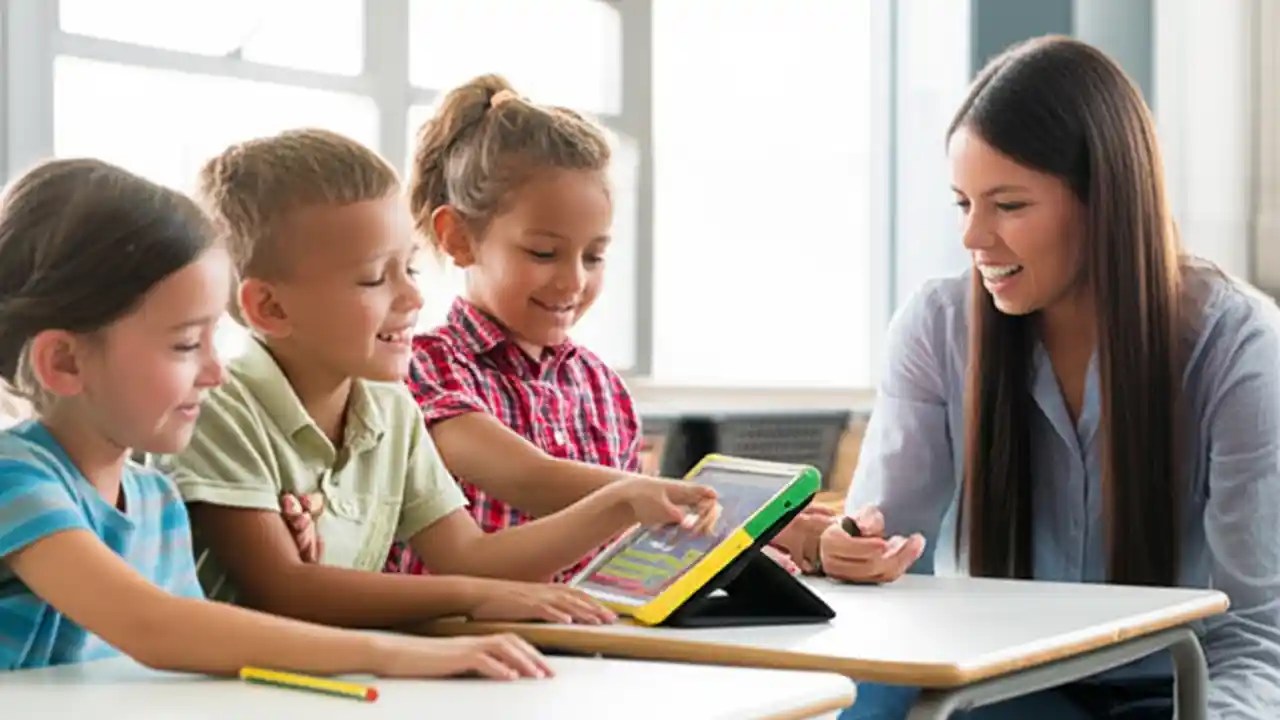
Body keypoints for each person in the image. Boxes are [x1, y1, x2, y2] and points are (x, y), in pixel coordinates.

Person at [818, 36, 1280, 718]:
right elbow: (890, 569)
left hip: (1181, 691)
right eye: (963, 204)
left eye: (1008, 206)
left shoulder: (1238, 345)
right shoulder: (936, 328)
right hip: (1001, 690)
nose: (974, 237)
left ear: (1105, 201)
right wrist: (853, 558)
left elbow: (1261, 635)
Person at [0, 157, 549, 679]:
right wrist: (396, 654)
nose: (215, 371)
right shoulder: (15, 479)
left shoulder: (157, 502)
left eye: (213, 338)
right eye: (186, 344)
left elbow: (201, 645)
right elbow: (155, 628)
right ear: (64, 362)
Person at [163, 128, 720, 630]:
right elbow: (287, 590)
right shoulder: (216, 409)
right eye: (373, 279)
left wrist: (621, 502)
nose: (412, 296)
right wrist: (475, 597)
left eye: (407, 268)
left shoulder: (391, 409)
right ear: (270, 307)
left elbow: (470, 556)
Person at [375, 73, 816, 580]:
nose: (574, 281)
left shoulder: (603, 389)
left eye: (594, 256)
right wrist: (716, 513)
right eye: (544, 253)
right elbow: (531, 479)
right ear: (457, 238)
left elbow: (628, 542)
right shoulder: (422, 369)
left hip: (588, 627)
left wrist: (736, 548)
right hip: (466, 626)